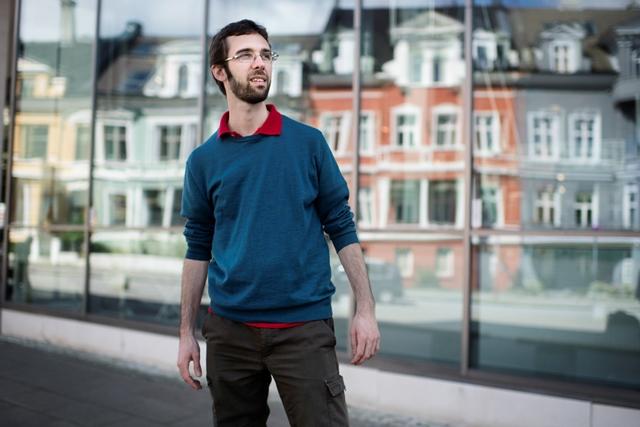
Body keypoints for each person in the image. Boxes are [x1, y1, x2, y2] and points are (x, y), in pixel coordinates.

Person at [177, 19, 380, 427]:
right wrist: (186, 332)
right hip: (229, 332)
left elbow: (341, 225)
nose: (260, 64)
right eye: (247, 55)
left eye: (266, 55)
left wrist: (366, 309)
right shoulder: (203, 160)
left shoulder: (308, 144)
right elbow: (198, 244)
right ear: (220, 71)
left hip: (303, 330)